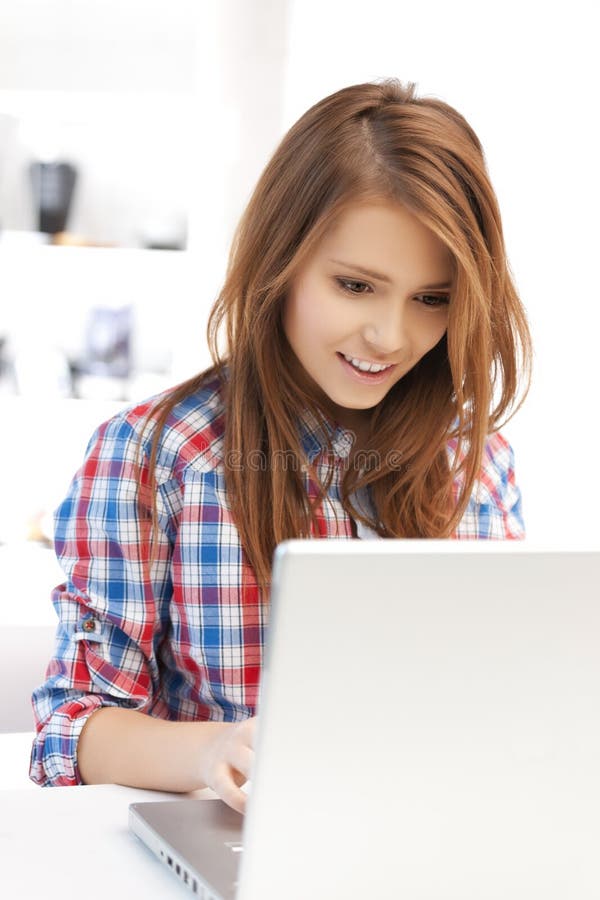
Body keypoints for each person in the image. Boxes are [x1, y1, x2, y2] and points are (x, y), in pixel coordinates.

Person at [30, 79, 532, 813]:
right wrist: (211, 752)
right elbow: (66, 734)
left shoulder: (476, 465)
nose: (391, 337)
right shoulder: (154, 457)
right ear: (281, 261)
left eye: (432, 299)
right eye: (356, 286)